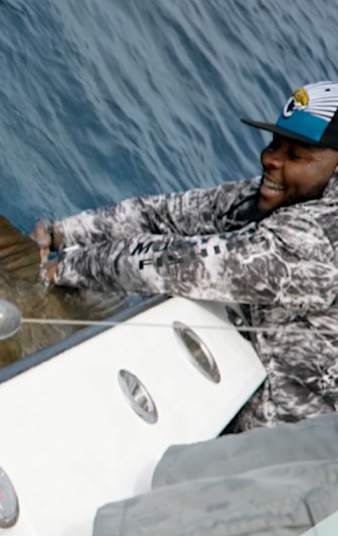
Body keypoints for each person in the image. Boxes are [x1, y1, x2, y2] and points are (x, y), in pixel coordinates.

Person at [34, 80, 338, 431]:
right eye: (275, 144)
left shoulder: (320, 241)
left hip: (271, 451)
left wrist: (67, 268)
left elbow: (178, 265)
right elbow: (164, 216)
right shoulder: (291, 193)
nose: (270, 159)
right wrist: (63, 234)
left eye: (296, 155)